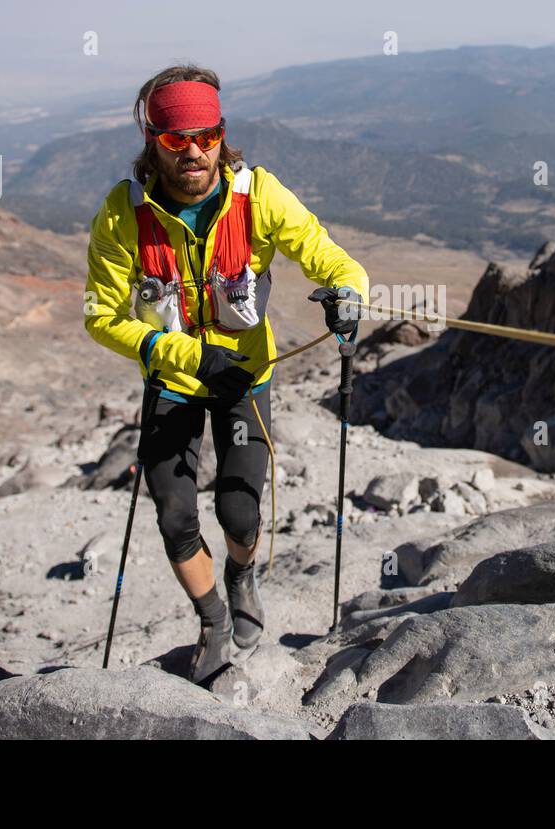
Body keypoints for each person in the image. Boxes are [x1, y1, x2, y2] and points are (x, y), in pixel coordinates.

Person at [83, 64, 368, 683]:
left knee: (240, 513)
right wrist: (181, 353)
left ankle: (242, 574)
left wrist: (348, 288)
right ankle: (212, 618)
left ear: (221, 134)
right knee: (173, 516)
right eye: (175, 139)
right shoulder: (123, 213)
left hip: (245, 378)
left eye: (206, 136)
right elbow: (100, 317)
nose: (193, 151)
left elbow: (321, 249)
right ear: (153, 142)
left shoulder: (257, 194)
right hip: (174, 382)